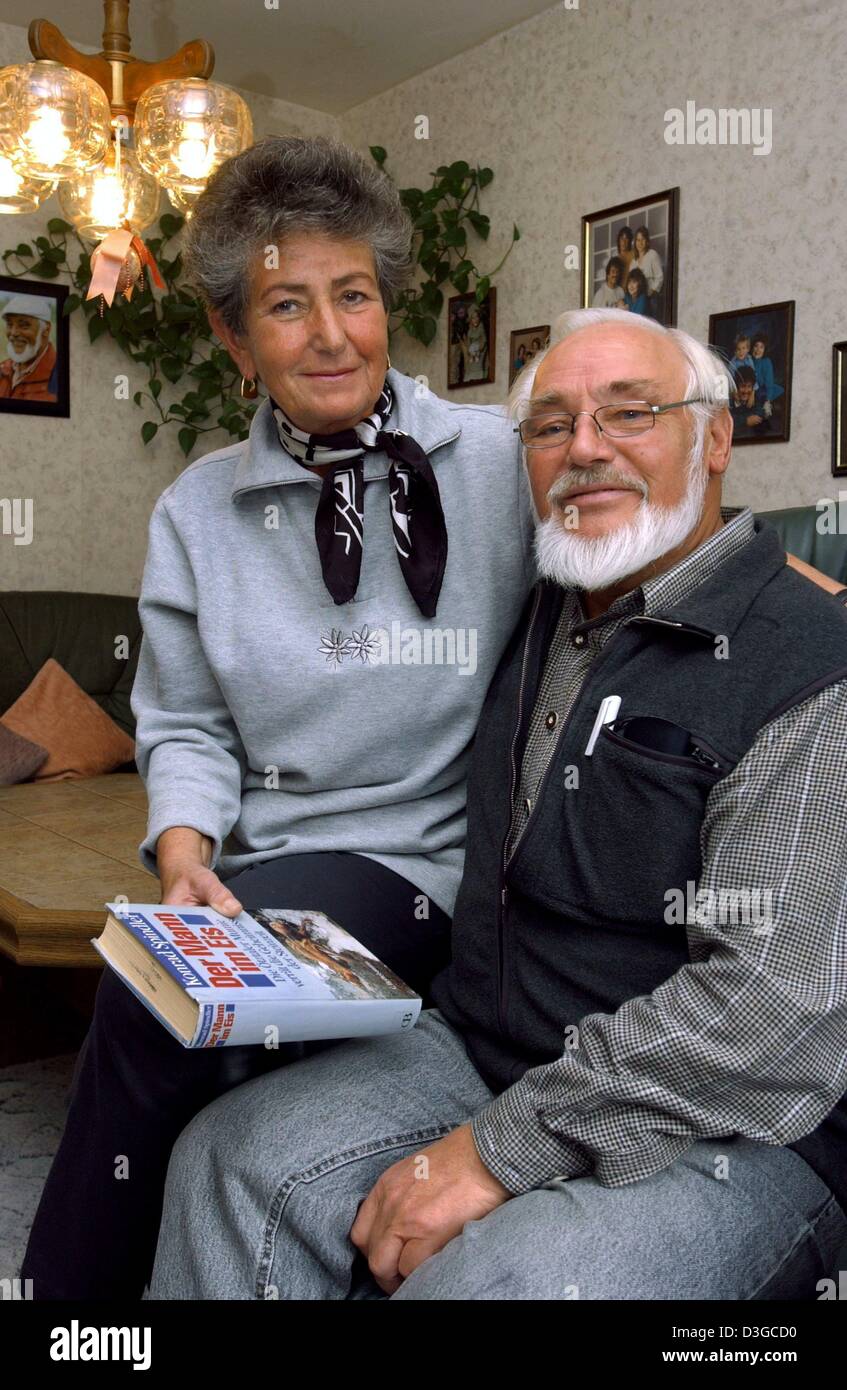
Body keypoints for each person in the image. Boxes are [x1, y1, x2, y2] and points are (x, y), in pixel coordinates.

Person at [148, 309, 847, 1302]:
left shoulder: (806, 669)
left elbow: (768, 1017)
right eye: (552, 426)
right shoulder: (544, 598)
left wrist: (494, 1152)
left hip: (728, 1126)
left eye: (629, 413)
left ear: (717, 437)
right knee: (232, 1159)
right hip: (483, 1050)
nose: (586, 450)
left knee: (497, 1285)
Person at [20, 134, 537, 1302]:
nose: (330, 334)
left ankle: (68, 1313)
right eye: (286, 304)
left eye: (352, 294)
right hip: (267, 865)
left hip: (428, 868)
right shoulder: (199, 510)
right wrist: (187, 853)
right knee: (158, 989)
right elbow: (188, 722)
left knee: (154, 1012)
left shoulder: (498, 462)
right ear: (232, 336)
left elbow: (642, 527)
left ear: (386, 300)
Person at [0, 293, 58, 402]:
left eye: (24, 325)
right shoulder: (3, 370)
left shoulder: (59, 376)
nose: (13, 333)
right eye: (9, 324)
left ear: (46, 330)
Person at [630, 226, 664, 318]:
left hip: (651, 298)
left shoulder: (652, 254)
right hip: (638, 300)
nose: (640, 243)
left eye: (642, 239)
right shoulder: (634, 261)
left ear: (647, 241)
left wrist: (651, 292)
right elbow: (630, 282)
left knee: (652, 325)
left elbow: (659, 277)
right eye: (638, 240)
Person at [731, 365, 770, 436]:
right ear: (736, 387)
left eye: (749, 386)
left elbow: (759, 414)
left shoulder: (755, 397)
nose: (746, 391)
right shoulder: (729, 400)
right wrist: (745, 421)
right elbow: (728, 419)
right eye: (743, 386)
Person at [751, 333, 783, 418]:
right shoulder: (748, 359)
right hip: (752, 392)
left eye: (761, 347)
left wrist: (768, 401)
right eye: (756, 346)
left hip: (766, 391)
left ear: (765, 350)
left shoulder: (766, 361)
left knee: (766, 413)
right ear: (752, 347)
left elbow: (769, 383)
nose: (758, 350)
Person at [464, 305, 488, 381]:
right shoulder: (470, 330)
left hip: (479, 351)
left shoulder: (481, 328)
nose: (475, 320)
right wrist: (469, 350)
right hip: (471, 353)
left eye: (477, 317)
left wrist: (479, 349)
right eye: (473, 318)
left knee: (478, 366)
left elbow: (483, 340)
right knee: (470, 366)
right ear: (470, 319)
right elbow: (468, 342)